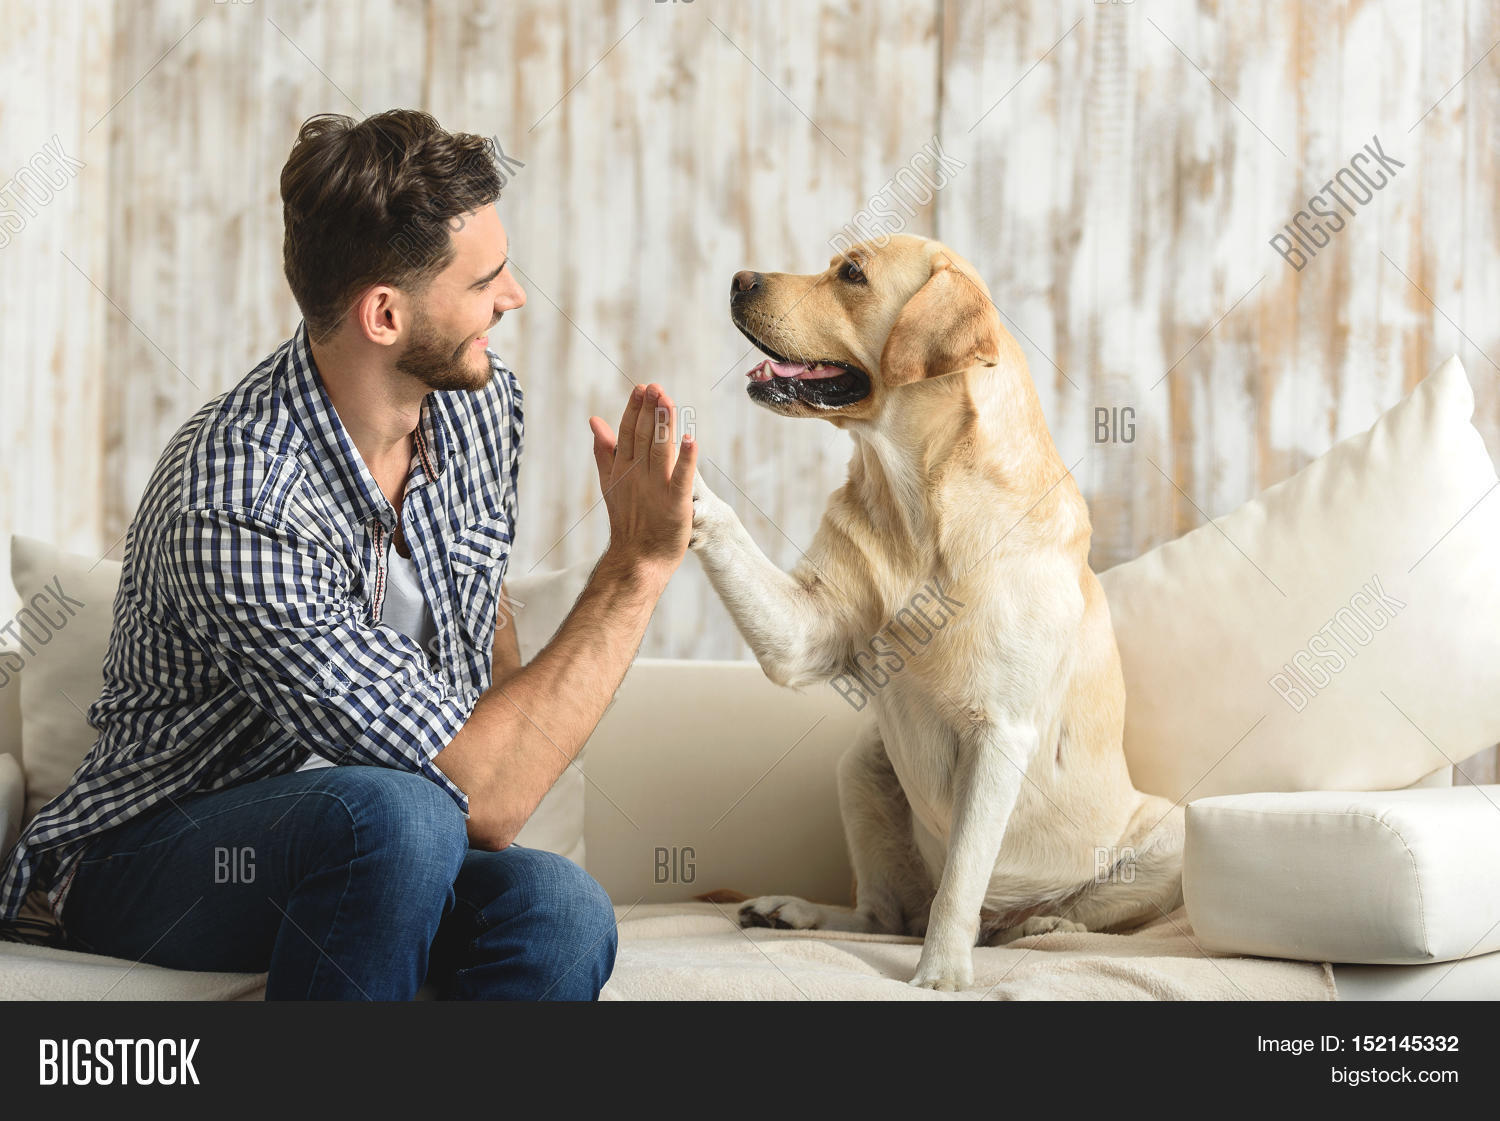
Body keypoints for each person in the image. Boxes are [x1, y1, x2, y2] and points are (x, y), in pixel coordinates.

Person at [0, 108, 698, 1000]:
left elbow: (483, 620)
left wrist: (495, 781)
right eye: (485, 279)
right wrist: (635, 567)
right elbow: (478, 792)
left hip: (390, 841)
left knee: (558, 908)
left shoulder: (480, 407)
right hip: (149, 857)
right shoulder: (239, 495)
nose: (514, 296)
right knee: (397, 814)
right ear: (384, 314)